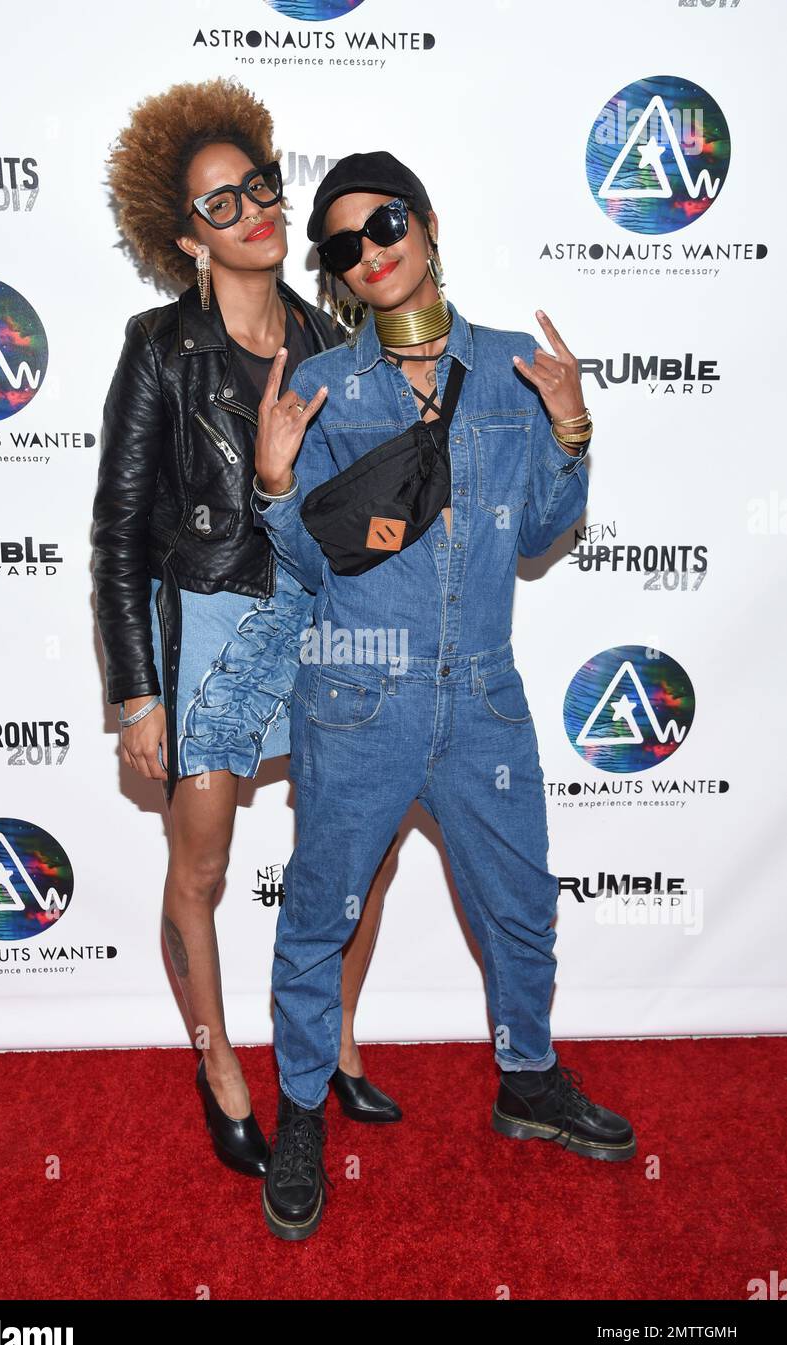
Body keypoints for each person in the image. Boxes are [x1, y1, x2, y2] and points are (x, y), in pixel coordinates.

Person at [252, 151, 636, 1241]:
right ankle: (298, 1110)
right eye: (339, 247)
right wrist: (277, 486)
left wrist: (570, 432)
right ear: (331, 272)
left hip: (483, 702)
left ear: (423, 224)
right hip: (355, 699)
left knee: (520, 907)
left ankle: (528, 1077)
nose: (368, 254)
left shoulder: (515, 369)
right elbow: (310, 567)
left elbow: (542, 531)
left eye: (382, 226)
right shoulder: (327, 389)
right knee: (319, 916)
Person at [91, 89, 402, 1184]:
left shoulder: (333, 340)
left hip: (324, 620)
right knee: (203, 862)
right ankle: (215, 1056)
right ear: (187, 236)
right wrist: (137, 693)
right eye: (221, 201)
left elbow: (365, 513)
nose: (253, 209)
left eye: (259, 185)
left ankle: (331, 1040)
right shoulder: (161, 348)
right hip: (216, 620)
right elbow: (119, 531)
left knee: (354, 847)